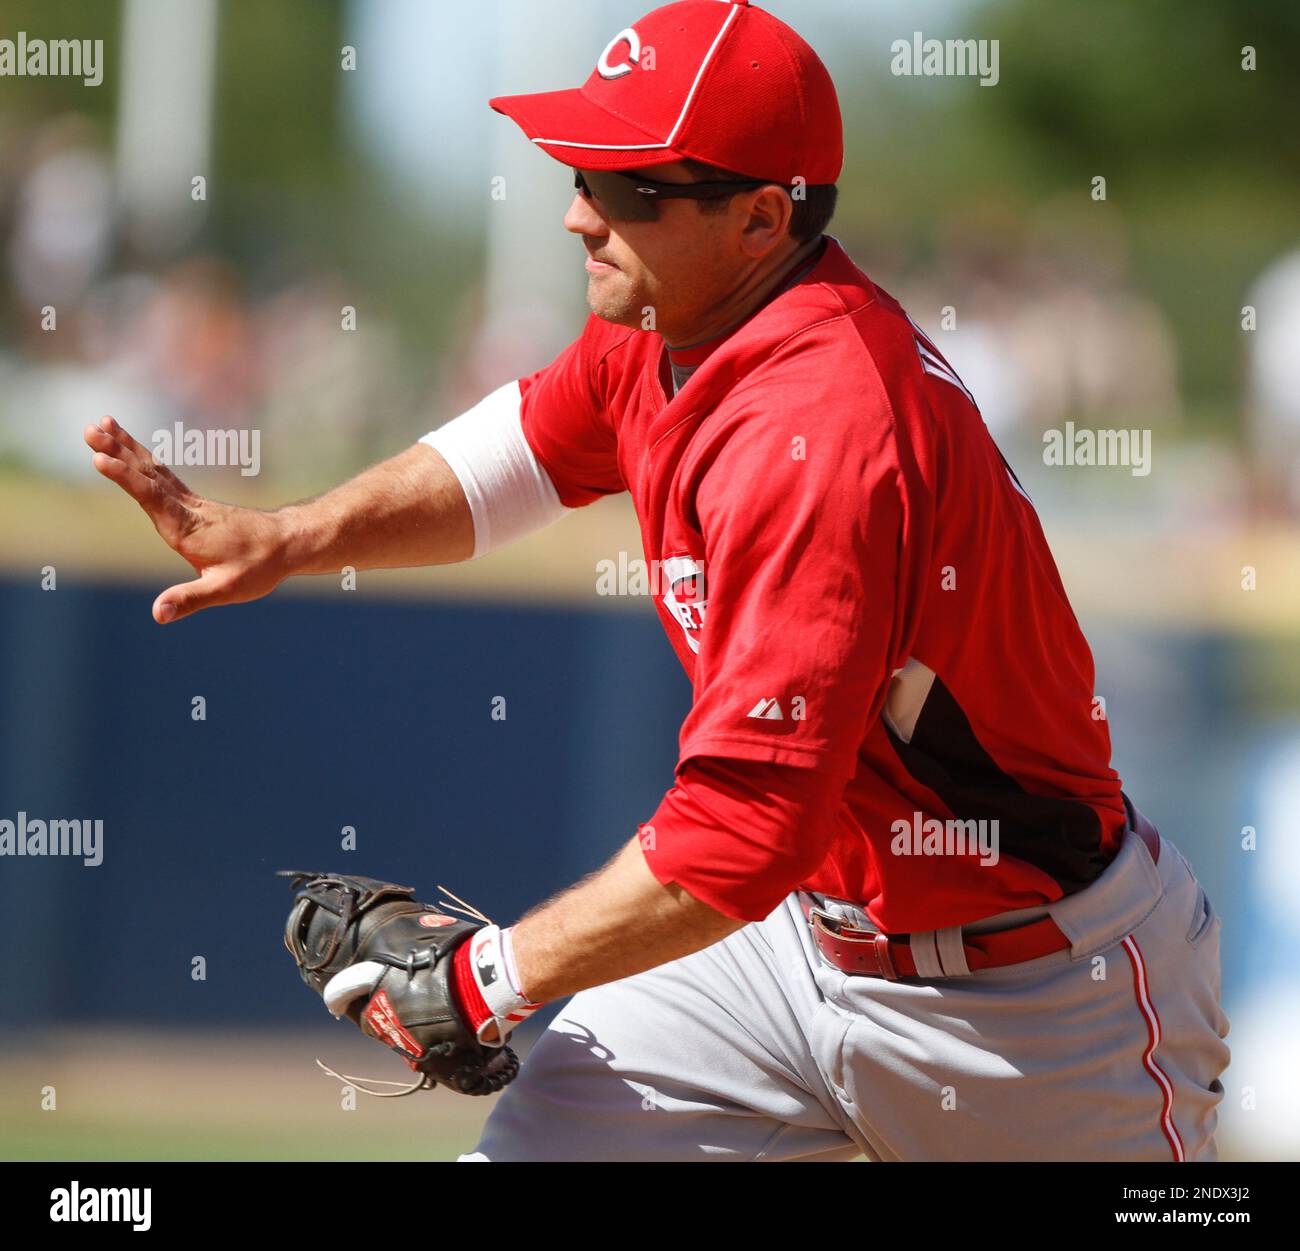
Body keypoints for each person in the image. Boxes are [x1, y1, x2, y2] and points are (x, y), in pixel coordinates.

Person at [84, 0, 1228, 1161]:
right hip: (790, 950)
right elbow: (516, 453)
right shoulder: (674, 324)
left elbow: (743, 833)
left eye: (631, 188)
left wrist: (490, 977)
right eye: (582, 170)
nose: (580, 212)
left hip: (1030, 1001)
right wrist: (293, 535)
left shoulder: (822, 429)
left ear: (760, 216)